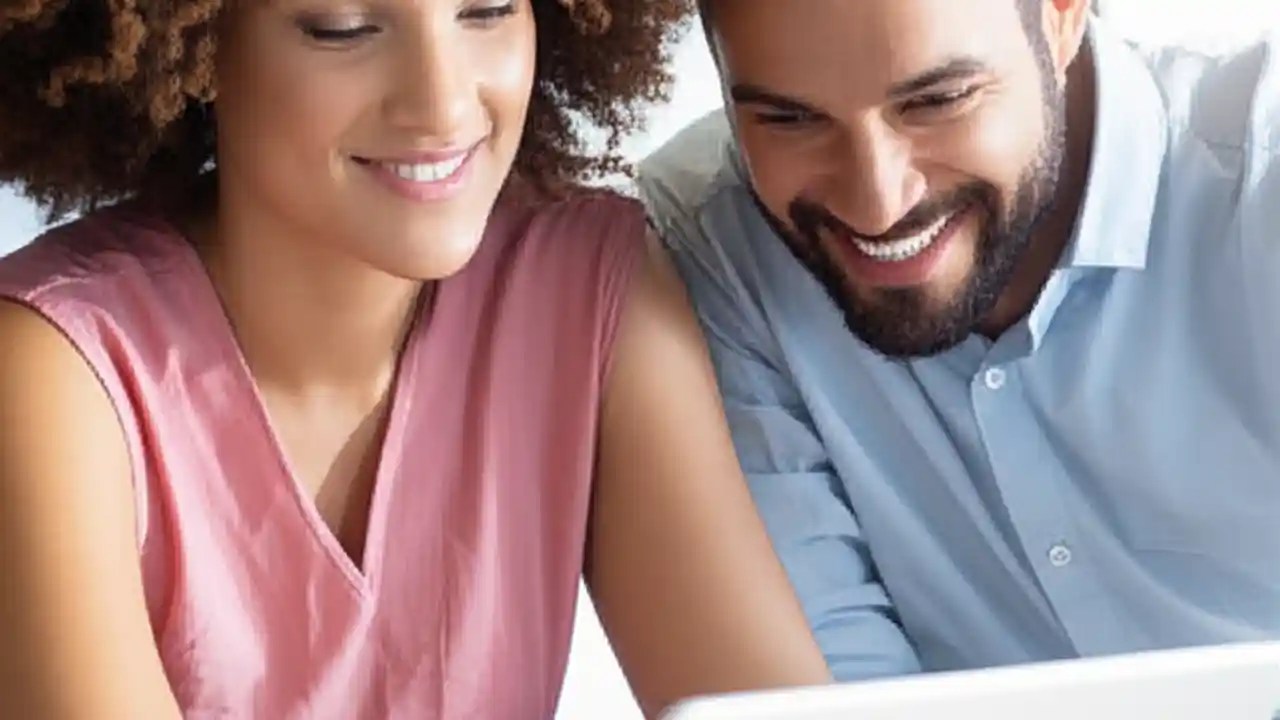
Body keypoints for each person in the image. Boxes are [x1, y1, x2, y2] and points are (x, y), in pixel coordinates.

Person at [0, 1, 831, 717]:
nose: (443, 103)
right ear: (198, 41)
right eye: (345, 27)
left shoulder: (587, 291)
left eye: (488, 8)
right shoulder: (53, 370)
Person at [639, 0, 1280, 683]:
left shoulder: (1258, 176)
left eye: (938, 100)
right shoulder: (709, 247)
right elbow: (826, 696)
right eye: (789, 119)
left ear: (1061, 15)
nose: (877, 203)